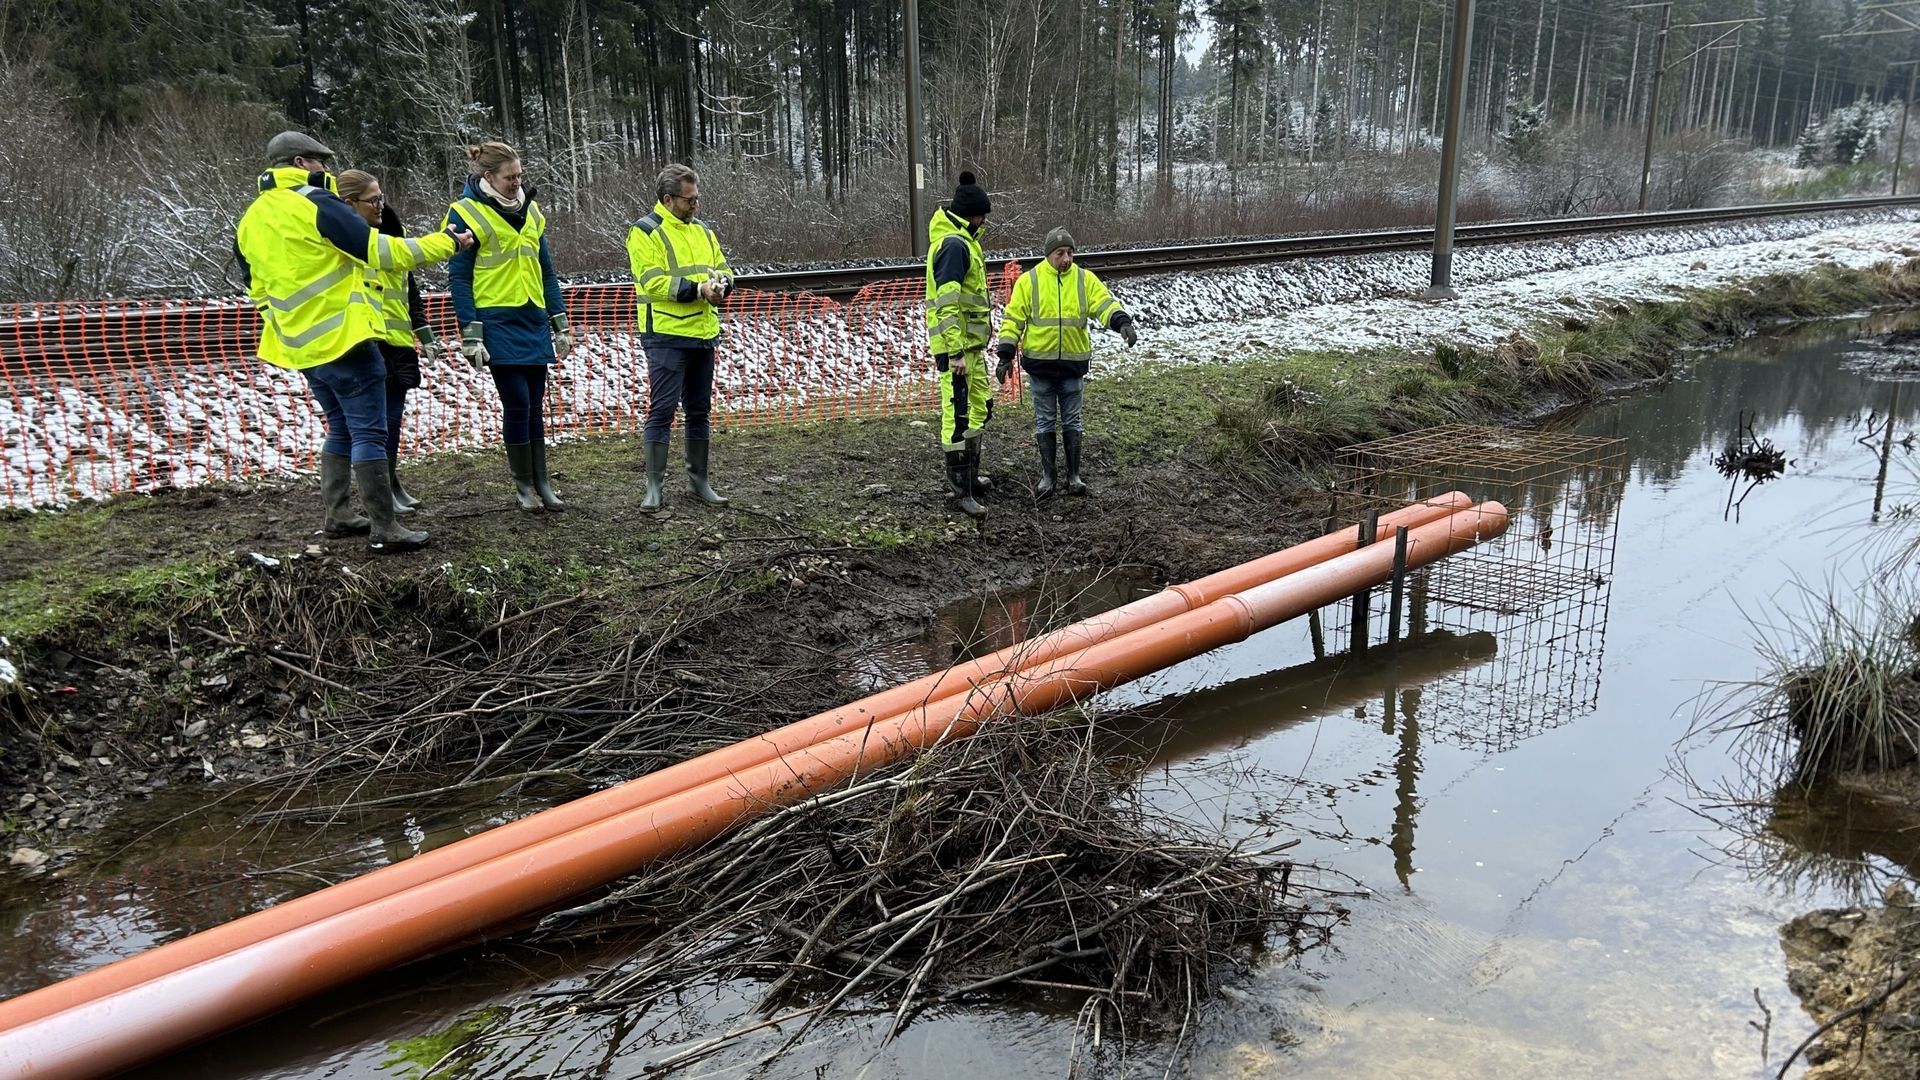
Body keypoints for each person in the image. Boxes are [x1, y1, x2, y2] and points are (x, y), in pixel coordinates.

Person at [234, 130, 471, 553]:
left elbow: (255, 288)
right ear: (301, 163)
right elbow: (384, 253)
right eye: (321, 162)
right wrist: (449, 242)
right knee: (368, 431)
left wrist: (285, 326)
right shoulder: (315, 203)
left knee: (340, 426)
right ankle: (385, 527)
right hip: (347, 338)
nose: (327, 170)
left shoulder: (251, 219)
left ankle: (339, 514)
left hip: (300, 346)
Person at [447, 141, 570, 513]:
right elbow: (459, 278)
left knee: (535, 404)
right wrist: (470, 332)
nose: (517, 182)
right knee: (516, 401)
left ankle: (543, 483)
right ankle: (523, 486)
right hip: (496, 320)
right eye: (509, 177)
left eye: (519, 175)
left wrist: (559, 320)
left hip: (531, 319)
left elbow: (545, 271)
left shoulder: (532, 212)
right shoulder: (463, 213)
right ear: (488, 177)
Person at [994, 227, 1136, 497]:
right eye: (1060, 253)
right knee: (1045, 421)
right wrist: (1005, 354)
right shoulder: (1029, 281)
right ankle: (1048, 477)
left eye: (1070, 252)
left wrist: (1122, 322)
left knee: (1073, 421)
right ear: (1049, 255)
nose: (1066, 258)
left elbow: (1104, 304)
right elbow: (1013, 320)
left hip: (1073, 365)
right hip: (1041, 367)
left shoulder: (1085, 279)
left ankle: (1074, 476)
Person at [626, 163, 732, 512]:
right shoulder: (644, 232)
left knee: (700, 410)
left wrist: (722, 287)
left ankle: (698, 480)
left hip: (704, 333)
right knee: (663, 410)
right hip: (667, 335)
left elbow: (723, 268)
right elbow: (652, 281)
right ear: (668, 199)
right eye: (689, 201)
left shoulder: (703, 231)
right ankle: (654, 486)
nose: (695, 206)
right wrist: (699, 290)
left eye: (697, 199)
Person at [335, 169, 440, 515]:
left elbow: (410, 290)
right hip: (367, 339)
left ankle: (391, 481)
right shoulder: (346, 240)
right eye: (373, 199)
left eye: (382, 197)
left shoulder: (395, 232)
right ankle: (379, 494)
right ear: (349, 204)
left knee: (392, 421)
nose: (381, 204)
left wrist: (424, 331)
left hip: (397, 341)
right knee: (376, 425)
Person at [925, 171, 995, 519]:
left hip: (972, 348)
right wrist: (954, 352)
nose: (985, 222)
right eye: (983, 215)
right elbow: (947, 303)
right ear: (972, 214)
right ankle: (960, 488)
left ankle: (970, 476)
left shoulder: (965, 241)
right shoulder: (954, 245)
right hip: (958, 352)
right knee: (958, 417)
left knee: (980, 409)